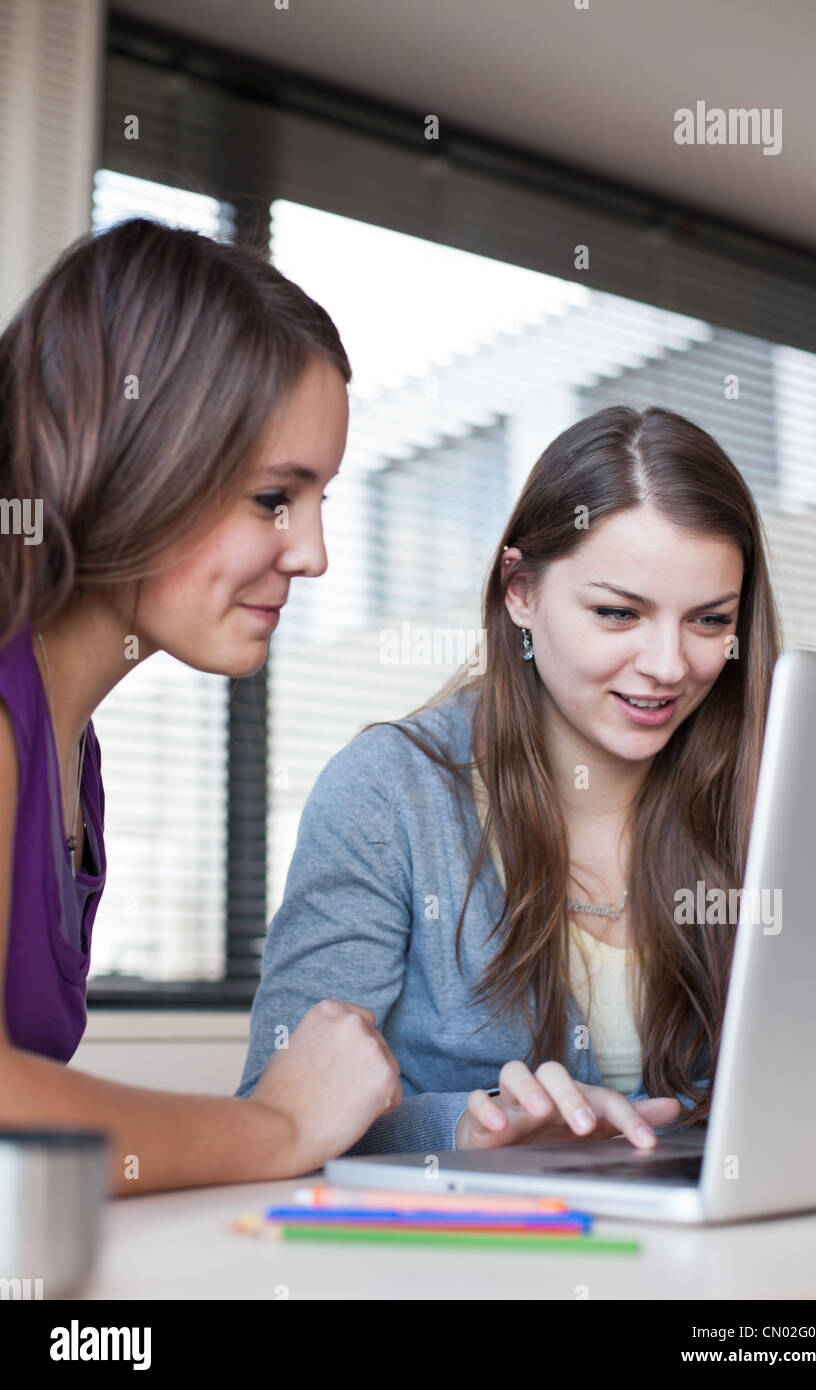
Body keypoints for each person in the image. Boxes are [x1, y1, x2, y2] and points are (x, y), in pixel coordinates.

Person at [237, 404, 782, 1154]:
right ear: (520, 591)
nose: (669, 665)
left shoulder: (773, 795)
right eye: (619, 613)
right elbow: (272, 1113)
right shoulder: (389, 795)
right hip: (476, 1258)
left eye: (711, 621)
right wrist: (463, 1125)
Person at [0, 217, 403, 1196]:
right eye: (274, 496)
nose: (311, 552)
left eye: (318, 501)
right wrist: (276, 1125)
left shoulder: (69, 747)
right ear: (137, 458)